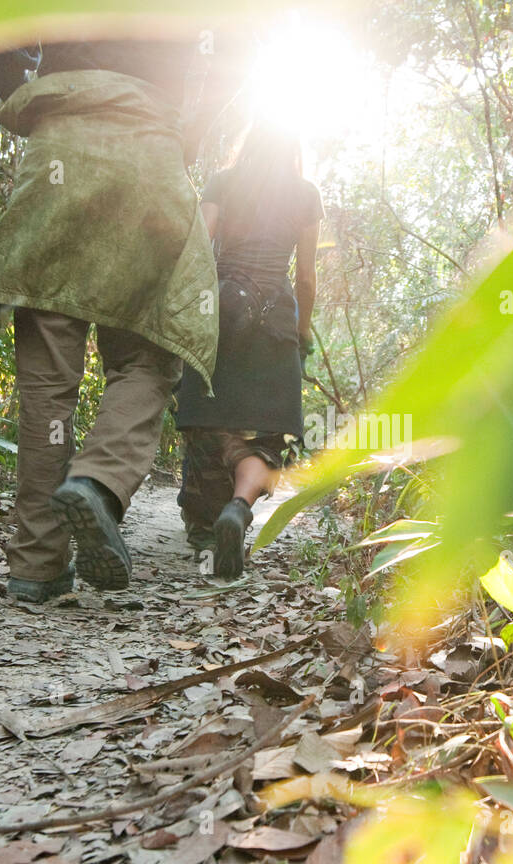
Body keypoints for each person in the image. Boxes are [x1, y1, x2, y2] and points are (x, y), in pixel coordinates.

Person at [0, 36, 249, 601]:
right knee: (149, 358)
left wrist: (29, 93)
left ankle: (36, 565)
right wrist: (185, 134)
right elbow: (237, 54)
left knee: (47, 386)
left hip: (60, 153)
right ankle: (98, 482)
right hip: (151, 161)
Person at [174, 120, 323, 579]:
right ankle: (238, 508)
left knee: (209, 423)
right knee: (265, 435)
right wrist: (300, 332)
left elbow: (197, 245)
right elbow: (306, 278)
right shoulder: (305, 192)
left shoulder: (223, 180)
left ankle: (204, 527)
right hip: (275, 318)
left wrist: (189, 311)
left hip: (220, 310)